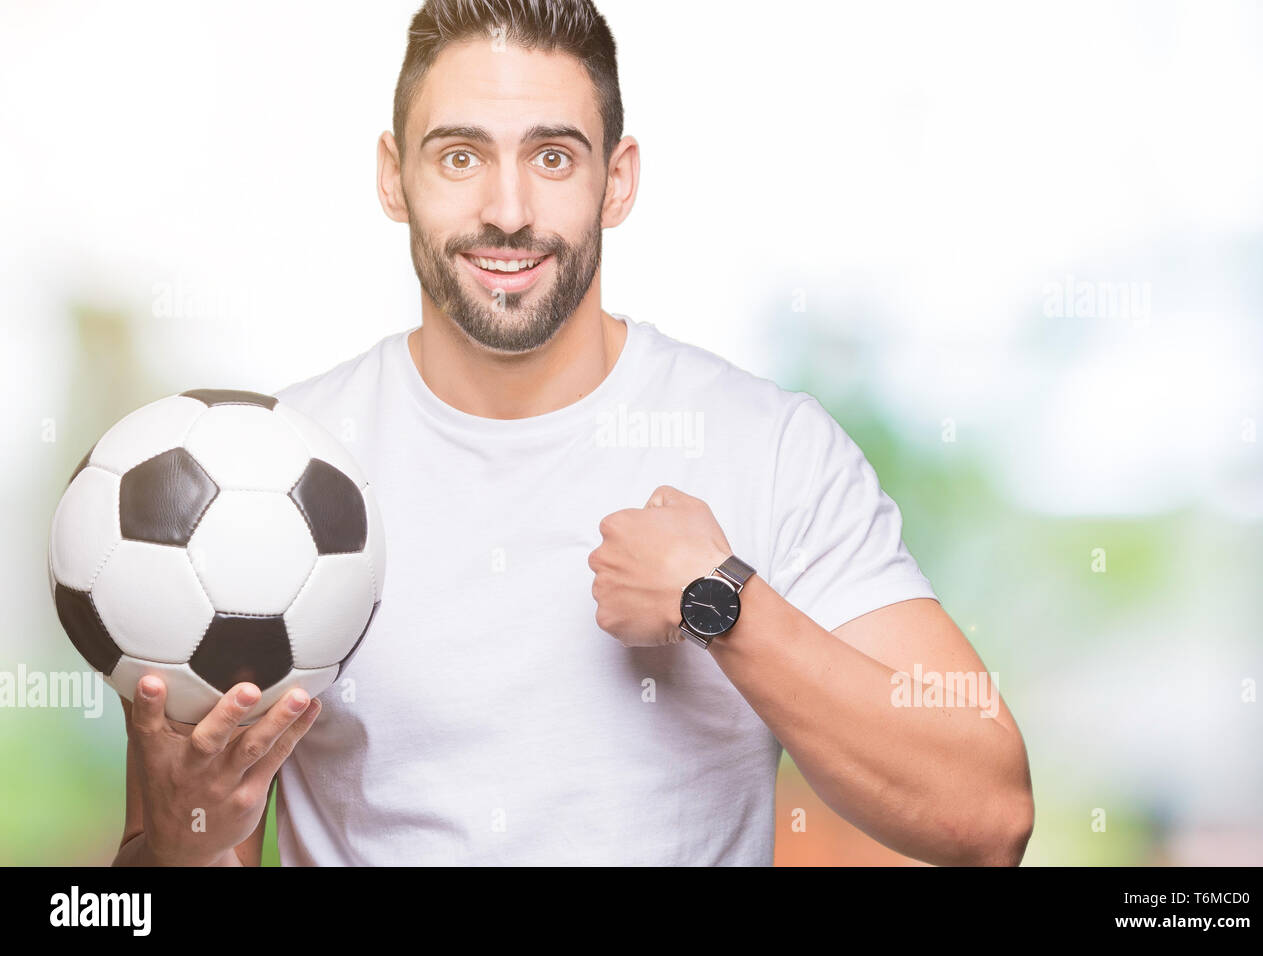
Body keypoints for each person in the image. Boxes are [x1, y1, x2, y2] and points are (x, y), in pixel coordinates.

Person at [114, 0, 1033, 867]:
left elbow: (989, 816)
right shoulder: (255, 477)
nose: (509, 210)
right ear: (393, 176)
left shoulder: (771, 448)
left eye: (552, 157)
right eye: (460, 156)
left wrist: (724, 603)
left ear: (617, 179)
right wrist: (181, 842)